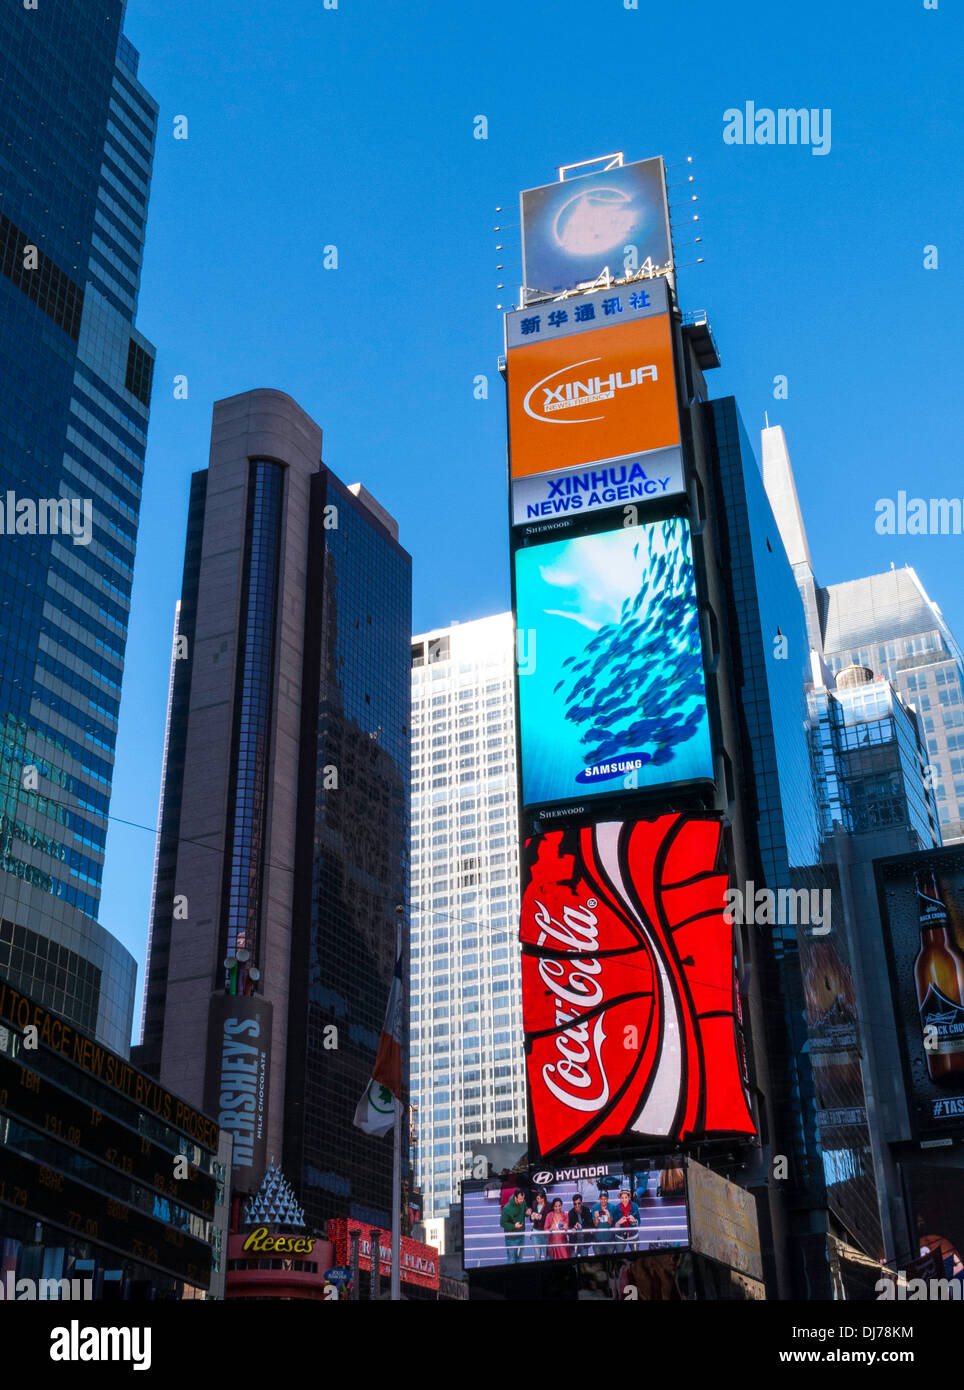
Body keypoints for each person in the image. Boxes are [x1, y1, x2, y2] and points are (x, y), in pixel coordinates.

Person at [500, 1189, 527, 1264]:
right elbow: (502, 1223)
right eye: (520, 1199)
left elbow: (526, 1210)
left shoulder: (523, 1202)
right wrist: (514, 1226)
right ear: (515, 1198)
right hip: (511, 1239)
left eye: (523, 1198)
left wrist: (528, 1212)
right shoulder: (506, 1208)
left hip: (521, 1235)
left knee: (520, 1259)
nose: (522, 1200)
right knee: (511, 1259)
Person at [613, 1188, 641, 1253]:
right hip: (620, 1237)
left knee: (635, 1257)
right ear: (620, 1198)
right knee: (619, 1257)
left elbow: (639, 1221)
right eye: (622, 1198)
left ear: (629, 1197)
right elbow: (614, 1225)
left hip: (633, 1236)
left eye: (626, 1197)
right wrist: (618, 1223)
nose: (624, 1200)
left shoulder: (635, 1206)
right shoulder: (616, 1208)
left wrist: (634, 1221)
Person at [568, 1192, 593, 1259]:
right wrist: (572, 1228)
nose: (577, 1205)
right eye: (575, 1204)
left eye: (579, 1203)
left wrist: (582, 1226)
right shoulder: (571, 1212)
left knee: (584, 1262)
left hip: (584, 1240)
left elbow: (590, 1225)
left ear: (582, 1203)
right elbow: (569, 1227)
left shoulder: (587, 1210)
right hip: (574, 1241)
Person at [528, 1189, 550, 1259]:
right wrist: (532, 1217)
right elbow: (531, 1219)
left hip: (544, 1233)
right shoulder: (534, 1203)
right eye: (537, 1198)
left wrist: (541, 1217)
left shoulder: (549, 1205)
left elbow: (550, 1218)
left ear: (544, 1198)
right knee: (537, 1255)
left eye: (541, 1198)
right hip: (535, 1232)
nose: (539, 1200)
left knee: (546, 1254)